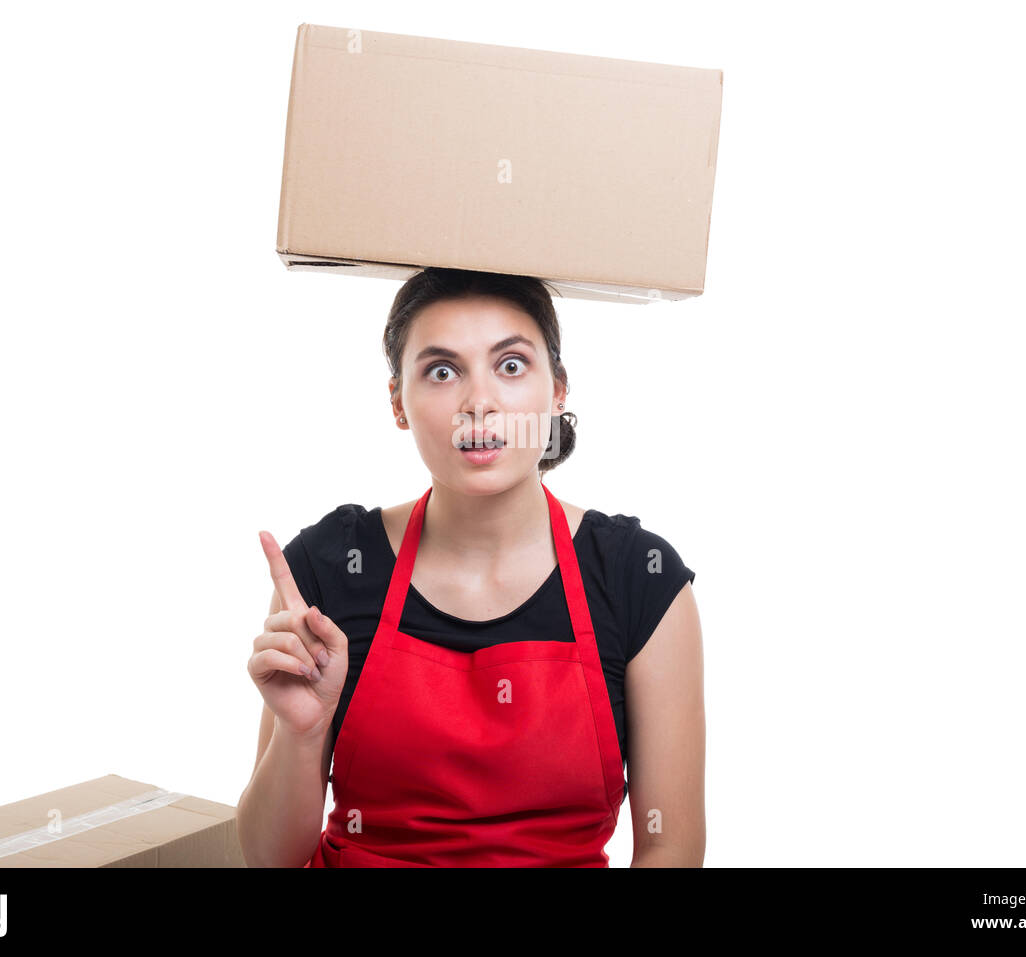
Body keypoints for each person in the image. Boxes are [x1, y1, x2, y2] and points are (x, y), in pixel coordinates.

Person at [237, 268, 705, 867]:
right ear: (398, 404)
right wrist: (303, 735)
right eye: (441, 371)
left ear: (558, 390)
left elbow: (672, 846)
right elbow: (266, 859)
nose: (478, 403)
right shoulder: (327, 569)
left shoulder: (640, 577)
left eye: (510, 365)